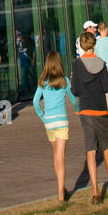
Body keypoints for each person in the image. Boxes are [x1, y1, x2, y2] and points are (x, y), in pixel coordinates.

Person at [71, 31, 108, 205]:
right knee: (106, 146)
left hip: (86, 110)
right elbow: (107, 88)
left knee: (91, 151)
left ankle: (95, 192)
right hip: (101, 109)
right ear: (93, 44)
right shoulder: (102, 63)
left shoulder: (77, 65)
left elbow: (74, 89)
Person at [33, 52, 79, 203]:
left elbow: (35, 101)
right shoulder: (64, 81)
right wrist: (77, 109)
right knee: (61, 157)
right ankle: (61, 192)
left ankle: (60, 188)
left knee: (56, 156)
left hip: (49, 122)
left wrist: (42, 116)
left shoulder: (43, 82)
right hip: (61, 122)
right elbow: (72, 98)